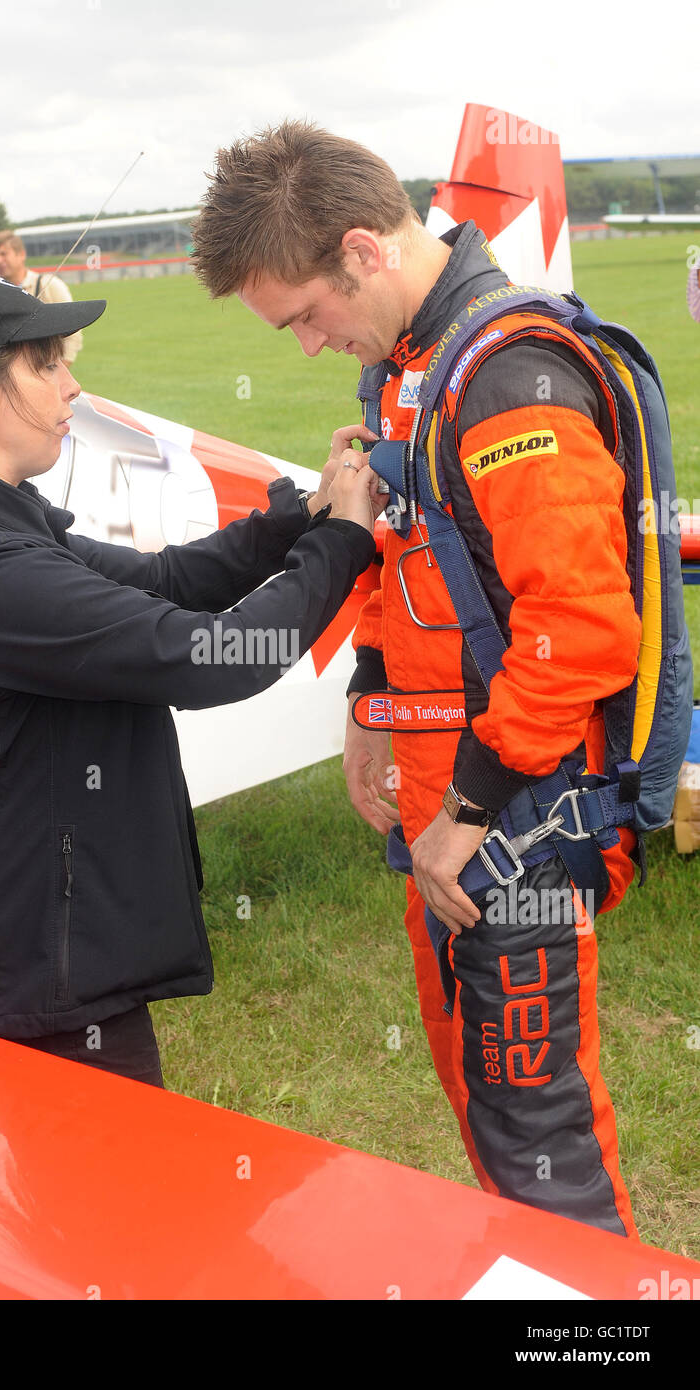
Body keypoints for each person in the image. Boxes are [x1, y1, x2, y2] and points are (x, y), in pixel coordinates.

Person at [191, 119, 643, 1236]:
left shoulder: (506, 382)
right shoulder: (410, 368)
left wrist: (471, 813)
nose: (303, 345)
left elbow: (578, 630)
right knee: (491, 1117)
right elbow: (422, 573)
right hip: (450, 818)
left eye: (304, 316)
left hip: (513, 830)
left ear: (362, 250)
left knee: (545, 1159)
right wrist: (372, 711)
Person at [0, 268, 381, 1088]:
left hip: (26, 956)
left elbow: (163, 581)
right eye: (46, 364)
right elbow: (218, 656)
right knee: (93, 1211)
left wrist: (296, 519)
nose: (73, 383)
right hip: (35, 986)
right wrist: (344, 542)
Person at [0, 231, 82, 363]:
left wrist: (59, 370)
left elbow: (73, 331)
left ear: (21, 254)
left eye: (3, 254)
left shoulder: (49, 285)